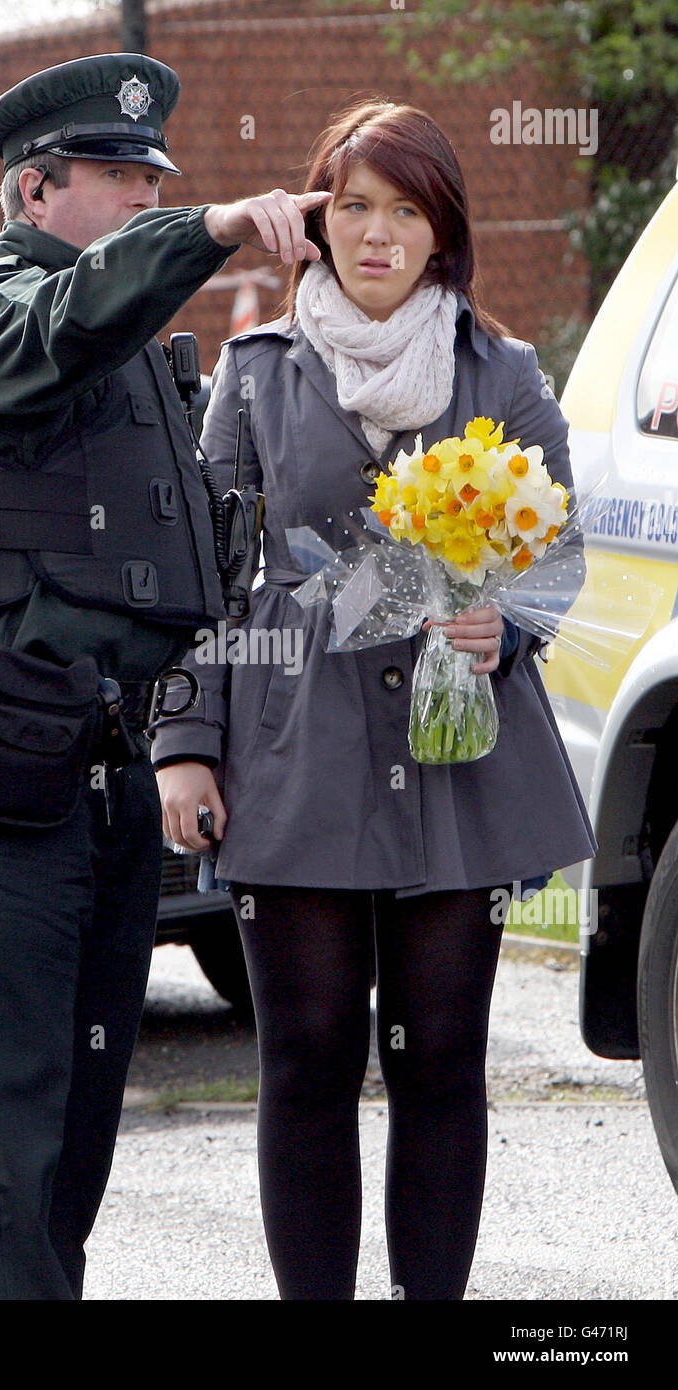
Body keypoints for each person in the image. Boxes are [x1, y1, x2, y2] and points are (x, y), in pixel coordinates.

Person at [0, 52, 330, 1300]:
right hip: (2, 786)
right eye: (116, 177)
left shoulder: (137, 357)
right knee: (3, 1155)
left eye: (156, 180)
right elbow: (72, 316)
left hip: (104, 778)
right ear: (35, 194)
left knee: (73, 1144)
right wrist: (208, 229)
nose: (142, 195)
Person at [153, 100, 597, 1301]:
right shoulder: (251, 376)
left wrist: (498, 622)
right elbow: (201, 574)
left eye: (405, 210)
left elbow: (557, 554)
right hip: (292, 753)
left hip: (456, 760)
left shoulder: (497, 371)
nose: (376, 233)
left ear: (441, 232)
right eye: (351, 204)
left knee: (441, 1059)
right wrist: (183, 742)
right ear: (314, 218)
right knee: (303, 1057)